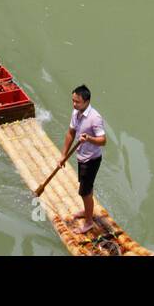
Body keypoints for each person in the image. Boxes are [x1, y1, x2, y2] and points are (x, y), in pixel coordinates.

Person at [58, 85, 106, 234]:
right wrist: (63, 155)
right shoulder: (76, 113)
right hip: (81, 157)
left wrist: (89, 139)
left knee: (84, 192)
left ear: (86, 101)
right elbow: (71, 133)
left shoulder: (94, 118)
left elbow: (103, 140)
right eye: (73, 101)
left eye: (77, 102)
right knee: (85, 187)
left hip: (91, 160)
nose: (74, 104)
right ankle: (87, 211)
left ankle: (89, 221)